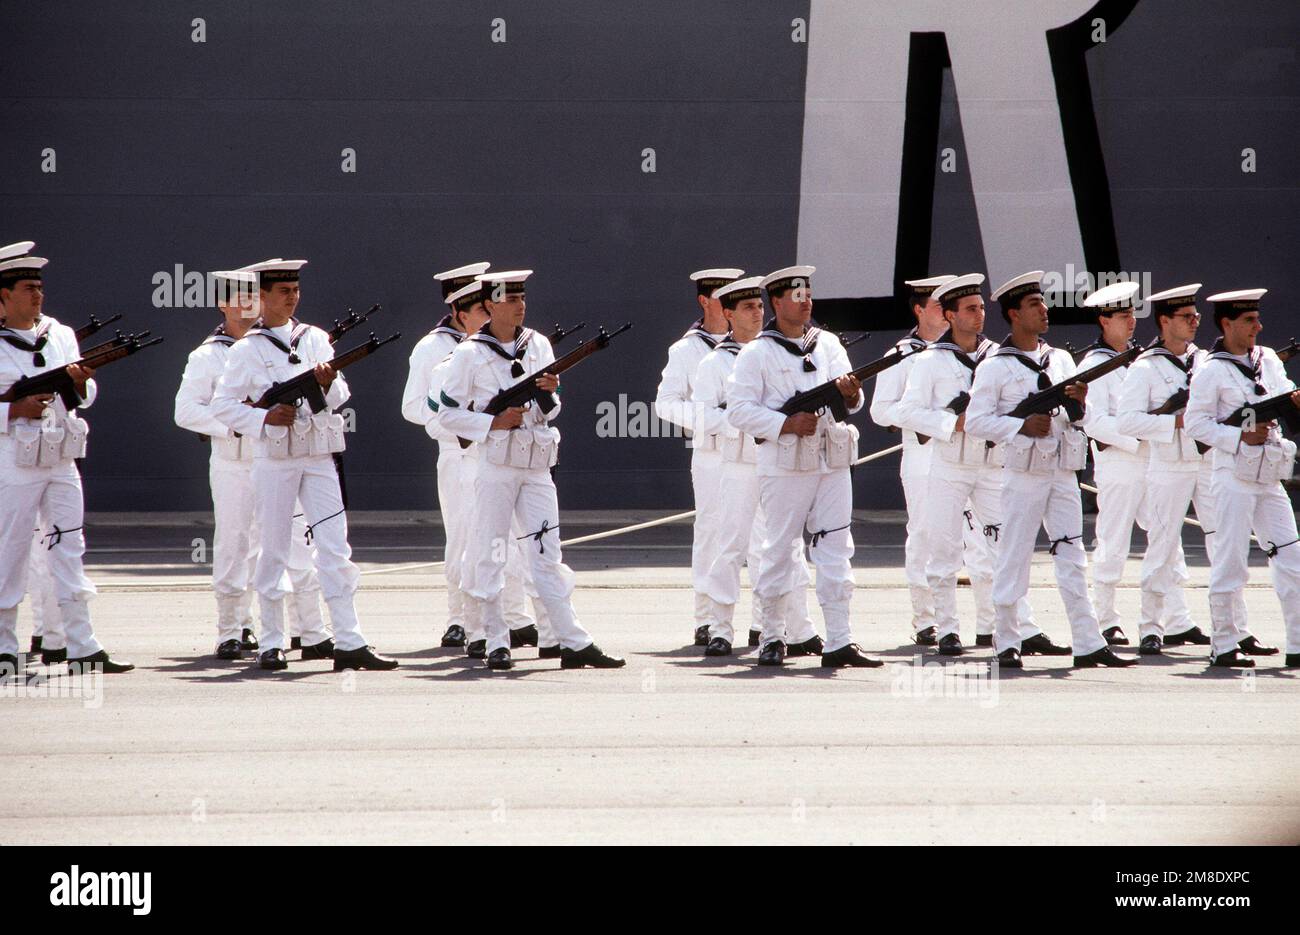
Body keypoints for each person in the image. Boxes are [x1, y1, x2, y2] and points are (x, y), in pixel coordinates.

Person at [211, 258, 397, 671]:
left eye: (295, 290)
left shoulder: (313, 338)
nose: (292, 297)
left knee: (335, 548)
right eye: (283, 291)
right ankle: (272, 642)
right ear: (263, 296)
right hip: (275, 459)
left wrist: (327, 384)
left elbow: (340, 394)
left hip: (317, 456)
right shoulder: (247, 349)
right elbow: (222, 405)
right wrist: (262, 418)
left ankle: (349, 640)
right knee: (274, 549)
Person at [437, 269, 624, 670]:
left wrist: (549, 394)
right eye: (511, 300)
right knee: (490, 551)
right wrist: (491, 423)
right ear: (489, 305)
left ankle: (572, 641)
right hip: (496, 467)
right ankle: (494, 639)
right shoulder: (470, 353)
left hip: (536, 466)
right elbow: (447, 413)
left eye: (522, 299)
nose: (520, 306)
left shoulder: (537, 343)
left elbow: (552, 408)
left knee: (545, 554)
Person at [965, 270, 1132, 668]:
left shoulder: (1058, 359)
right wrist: (1018, 425)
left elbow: (1078, 417)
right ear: (1013, 314)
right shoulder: (995, 365)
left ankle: (1089, 642)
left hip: (1061, 471)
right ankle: (1007, 641)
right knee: (1014, 554)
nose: (1043, 311)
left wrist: (1079, 402)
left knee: (1072, 554)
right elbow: (974, 421)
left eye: (1042, 303)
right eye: (1033, 305)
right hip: (1022, 474)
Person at [175, 265, 331, 660]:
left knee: (293, 544)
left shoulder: (277, 345)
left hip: (280, 458)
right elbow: (186, 410)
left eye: (253, 297)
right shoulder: (207, 356)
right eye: (239, 299)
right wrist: (240, 422)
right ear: (222, 304)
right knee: (235, 544)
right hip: (234, 462)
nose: (248, 307)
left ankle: (306, 629)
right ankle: (232, 628)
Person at [727, 266, 881, 668]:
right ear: (777, 302)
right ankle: (773, 637)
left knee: (836, 548)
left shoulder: (827, 344)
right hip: (785, 463)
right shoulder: (756, 352)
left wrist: (851, 395)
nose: (806, 300)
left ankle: (840, 639)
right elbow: (740, 411)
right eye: (797, 295)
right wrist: (784, 423)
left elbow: (853, 403)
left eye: (809, 293)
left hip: (831, 459)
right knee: (779, 548)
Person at [0, 244, 133, 674]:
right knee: (11, 552)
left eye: (39, 288)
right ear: (3, 296)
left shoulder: (59, 334)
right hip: (13, 460)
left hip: (60, 457)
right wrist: (11, 410)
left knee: (69, 548)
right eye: (27, 288)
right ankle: (4, 646)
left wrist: (78, 384)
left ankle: (81, 644)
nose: (37, 296)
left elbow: (85, 397)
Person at [894, 273, 1040, 655]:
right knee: (942, 547)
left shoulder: (999, 357)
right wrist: (950, 421)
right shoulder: (930, 361)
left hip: (992, 464)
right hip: (950, 464)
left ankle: (1012, 629)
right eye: (970, 309)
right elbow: (908, 411)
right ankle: (946, 629)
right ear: (950, 315)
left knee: (1003, 548)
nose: (979, 316)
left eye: (981, 308)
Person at [693, 276, 822, 656]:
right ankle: (719, 628)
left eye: (759, 306)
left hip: (776, 462)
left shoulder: (776, 353)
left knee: (784, 548)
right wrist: (749, 418)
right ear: (728, 313)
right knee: (729, 546)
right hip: (738, 463)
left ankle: (792, 629)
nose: (756, 313)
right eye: (747, 307)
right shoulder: (714, 362)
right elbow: (703, 415)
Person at [1184, 288, 1299, 668]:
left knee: (1291, 556)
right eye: (1249, 320)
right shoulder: (1211, 370)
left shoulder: (1266, 359)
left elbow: (1280, 395)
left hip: (1268, 474)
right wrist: (1238, 435)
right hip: (1232, 474)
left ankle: (1297, 643)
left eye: (1257, 319)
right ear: (1227, 323)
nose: (1258, 326)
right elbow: (1196, 424)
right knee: (1231, 560)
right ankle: (1224, 643)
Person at [1114, 284, 1220, 654]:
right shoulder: (1146, 366)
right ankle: (1151, 627)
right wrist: (1172, 423)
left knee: (1223, 542)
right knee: (1161, 546)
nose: (1194, 323)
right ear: (1164, 321)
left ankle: (1230, 630)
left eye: (1196, 316)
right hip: (1168, 465)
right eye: (1186, 317)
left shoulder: (1207, 361)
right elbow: (1126, 421)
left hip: (1207, 462)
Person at [655, 268, 756, 647]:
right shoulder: (688, 349)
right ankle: (707, 618)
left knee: (763, 538)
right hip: (714, 453)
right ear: (705, 301)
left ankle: (765, 622)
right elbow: (665, 404)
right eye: (722, 294)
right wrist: (725, 422)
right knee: (714, 534)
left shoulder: (762, 344)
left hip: (757, 453)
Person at [869, 275, 950, 644]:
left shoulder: (972, 350)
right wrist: (924, 417)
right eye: (937, 305)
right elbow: (880, 411)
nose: (945, 313)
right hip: (924, 455)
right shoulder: (901, 355)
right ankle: (925, 619)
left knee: (979, 537)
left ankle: (986, 621)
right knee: (924, 535)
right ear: (919, 309)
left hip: (970, 455)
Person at [1077, 281, 1145, 646]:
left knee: (1167, 538)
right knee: (1113, 542)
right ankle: (1106, 619)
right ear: (1104, 320)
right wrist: (1138, 438)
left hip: (1152, 460)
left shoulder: (1141, 359)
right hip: (1118, 461)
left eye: (1132, 313)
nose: (1131, 321)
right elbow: (1093, 419)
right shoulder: (1094, 365)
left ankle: (1174, 617)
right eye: (1122, 315)